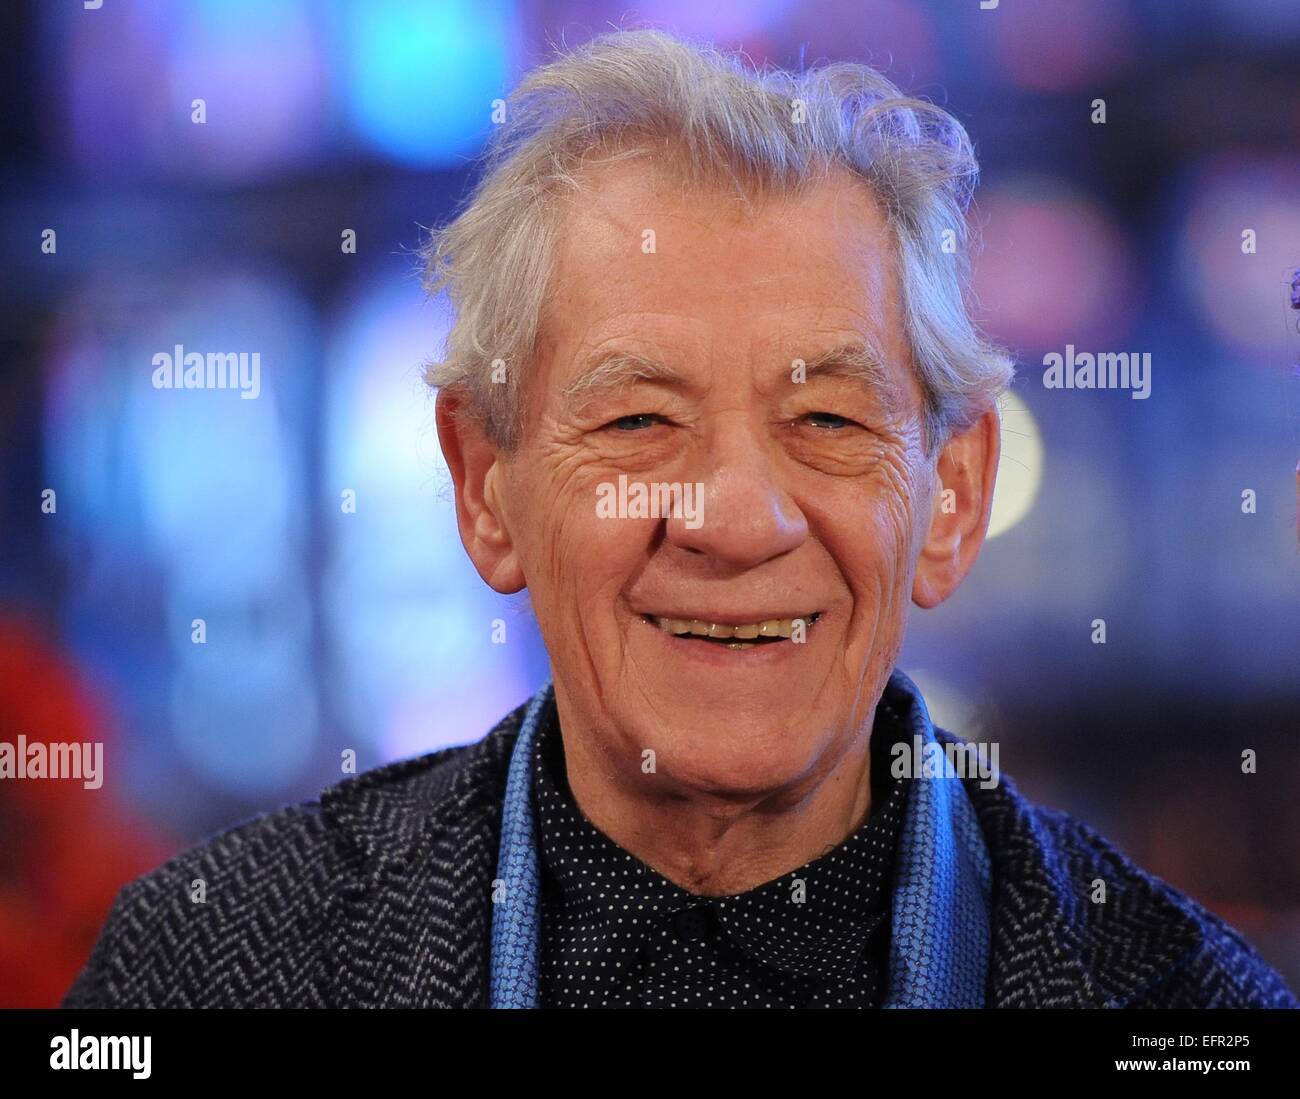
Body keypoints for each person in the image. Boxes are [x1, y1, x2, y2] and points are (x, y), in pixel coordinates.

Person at [64, 29, 1295, 1010]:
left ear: (951, 498)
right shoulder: (203, 969)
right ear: (484, 484)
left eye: (825, 422)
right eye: (638, 423)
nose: (736, 521)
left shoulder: (1189, 1013)